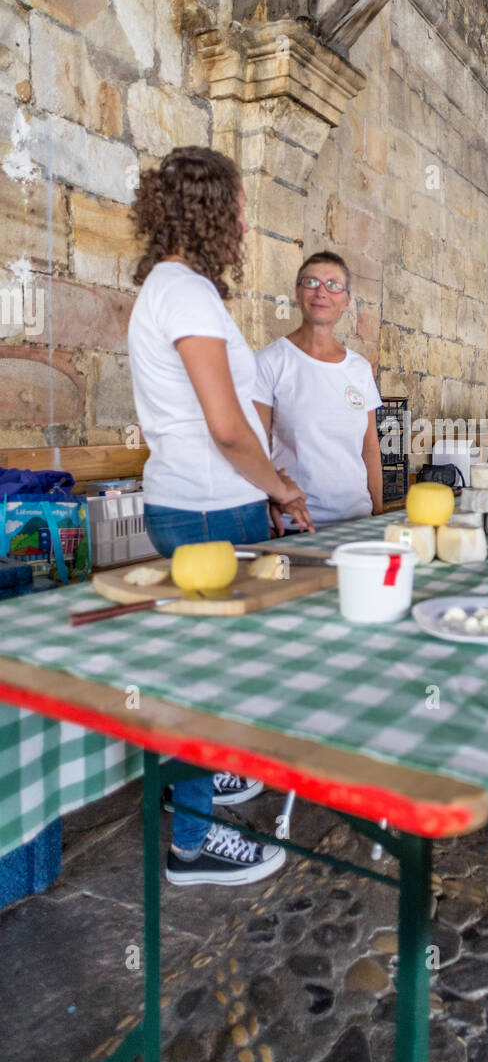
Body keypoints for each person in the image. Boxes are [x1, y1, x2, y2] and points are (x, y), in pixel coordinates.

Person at [128, 146, 313, 887]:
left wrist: (263, 483)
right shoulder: (188, 295)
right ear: (209, 211)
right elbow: (228, 427)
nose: (242, 222)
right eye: (236, 207)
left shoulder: (170, 289)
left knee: (200, 667)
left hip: (202, 500)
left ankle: (206, 778)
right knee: (209, 675)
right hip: (208, 507)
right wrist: (283, 491)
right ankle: (195, 844)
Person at [254, 252, 383, 529]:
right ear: (298, 293)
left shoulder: (359, 369)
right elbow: (256, 447)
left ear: (346, 301)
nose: (321, 292)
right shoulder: (270, 362)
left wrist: (378, 514)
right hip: (298, 525)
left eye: (333, 284)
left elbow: (370, 448)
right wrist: (270, 502)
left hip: (358, 522)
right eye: (311, 282)